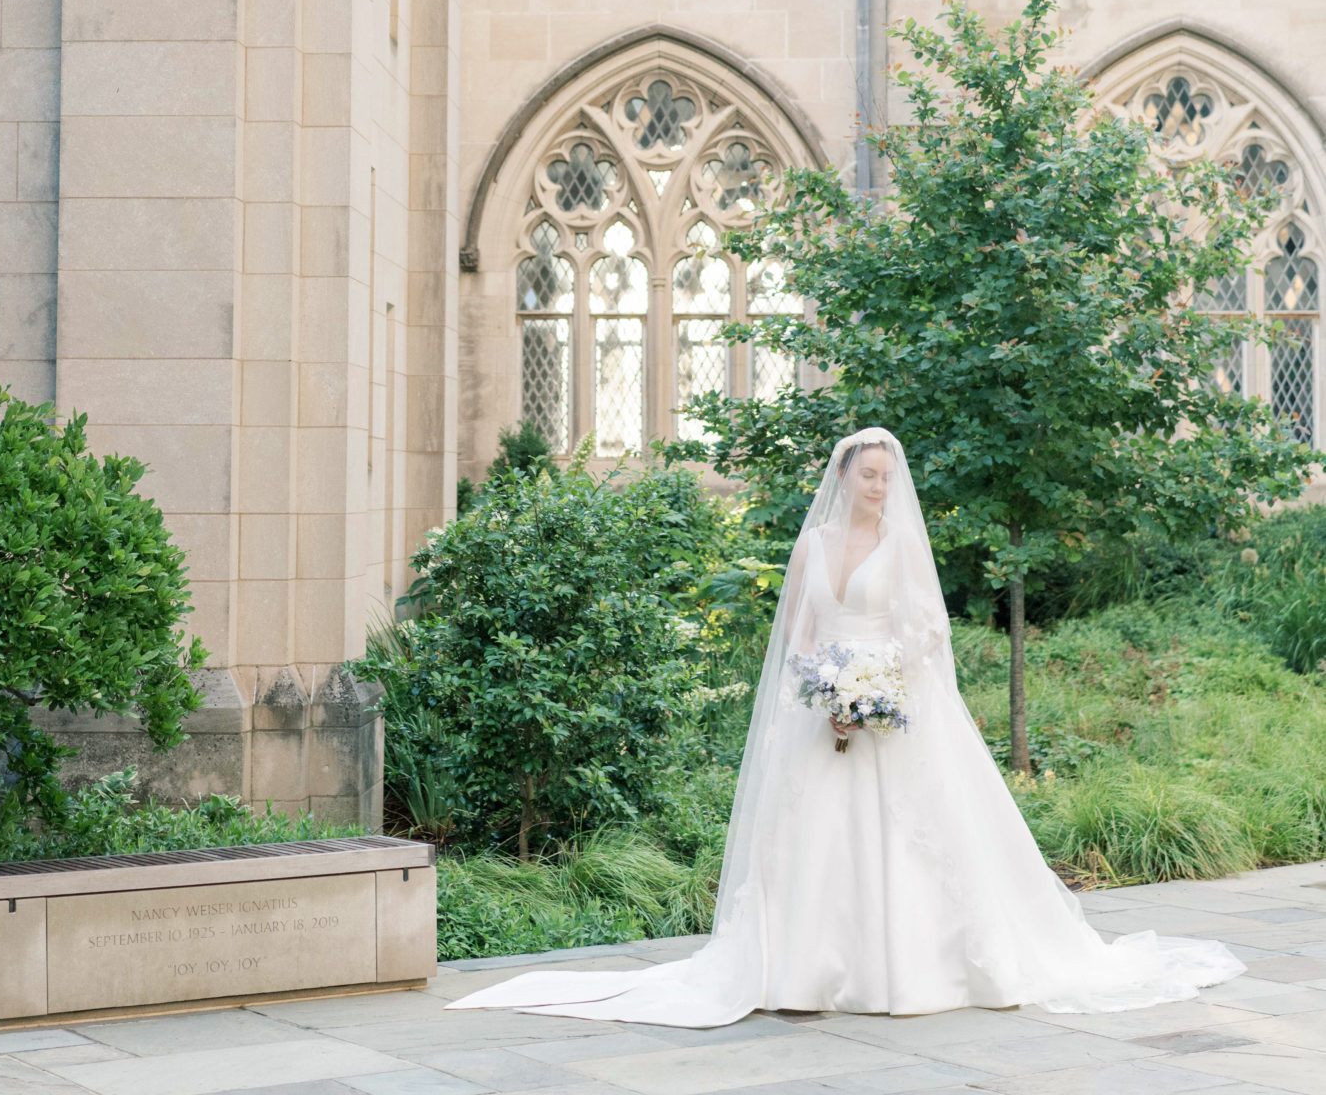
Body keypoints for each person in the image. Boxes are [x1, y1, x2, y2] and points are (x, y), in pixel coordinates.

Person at [450, 428, 1243, 1026]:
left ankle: (899, 970)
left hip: (892, 717)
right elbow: (795, 635)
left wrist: (879, 686)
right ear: (843, 478)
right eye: (867, 475)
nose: (878, 486)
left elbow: (926, 629)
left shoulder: (902, 547)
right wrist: (821, 689)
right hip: (819, 715)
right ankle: (801, 971)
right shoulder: (810, 544)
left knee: (897, 840)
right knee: (813, 838)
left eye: (885, 476)